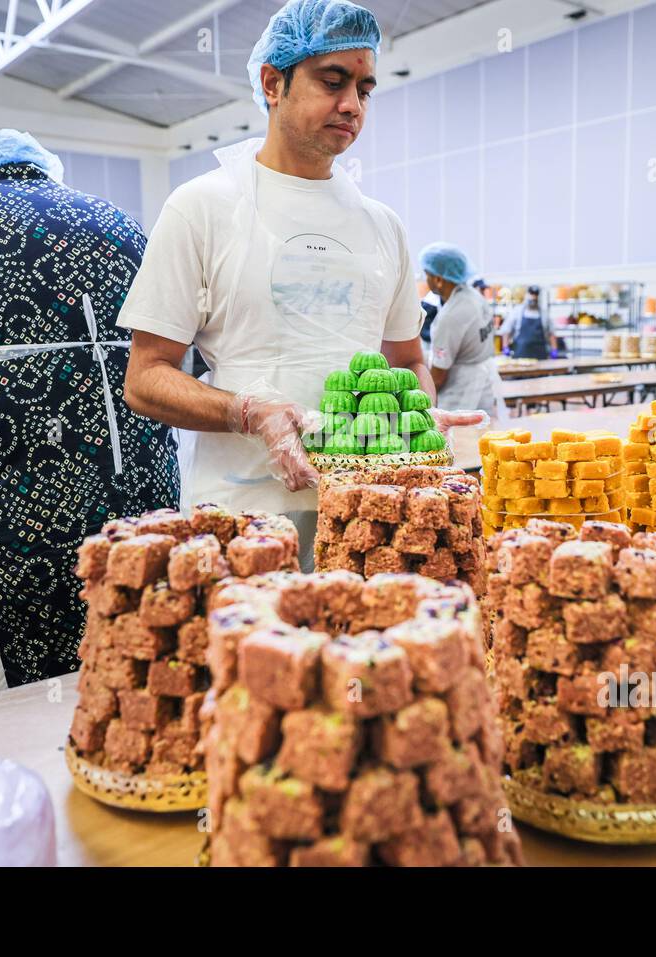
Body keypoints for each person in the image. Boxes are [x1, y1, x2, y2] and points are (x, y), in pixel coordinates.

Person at [118, 0, 483, 562]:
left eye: (364, 89)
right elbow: (145, 379)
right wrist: (251, 413)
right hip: (243, 519)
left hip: (367, 516)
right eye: (332, 81)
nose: (351, 105)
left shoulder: (382, 225)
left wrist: (410, 413)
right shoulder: (203, 207)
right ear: (273, 82)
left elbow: (409, 361)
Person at [0, 130, 178, 692]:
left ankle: (39, 758)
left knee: (31, 640)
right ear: (51, 171)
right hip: (140, 472)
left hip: (20, 489)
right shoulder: (122, 222)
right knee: (138, 619)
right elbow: (170, 351)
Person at [421, 242, 500, 416]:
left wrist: (421, 404)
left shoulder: (451, 316)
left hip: (461, 395)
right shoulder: (474, 297)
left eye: (427, 275)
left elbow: (439, 376)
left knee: (460, 441)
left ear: (438, 280)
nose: (425, 281)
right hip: (482, 387)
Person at [500, 285, 557, 359]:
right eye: (531, 296)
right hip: (520, 355)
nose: (533, 298)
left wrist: (554, 349)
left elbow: (551, 333)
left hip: (540, 356)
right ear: (526, 296)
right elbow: (506, 331)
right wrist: (505, 347)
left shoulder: (544, 314)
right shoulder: (517, 312)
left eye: (535, 297)